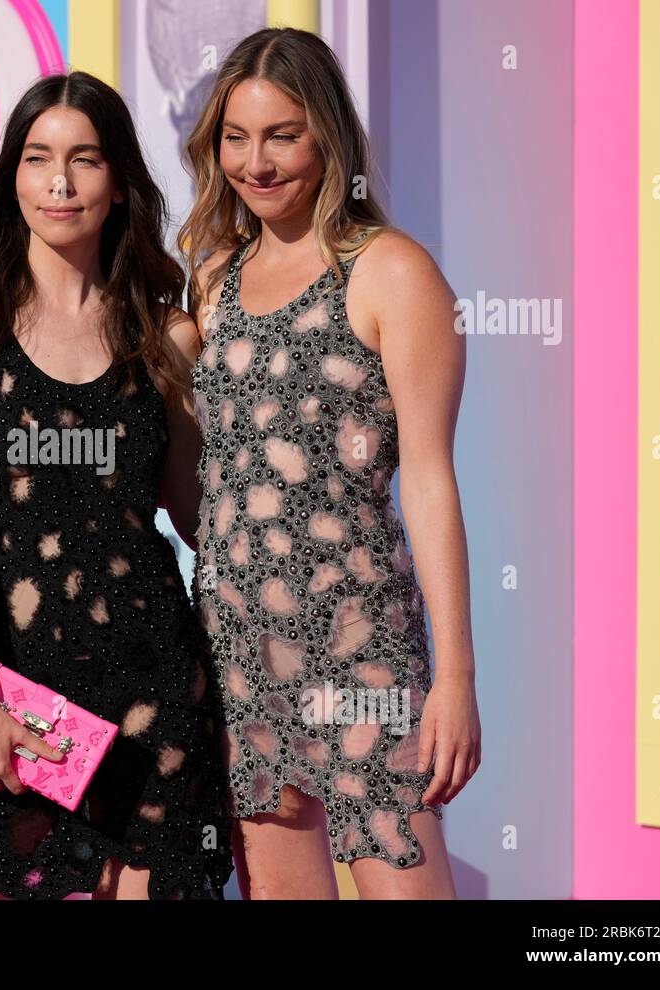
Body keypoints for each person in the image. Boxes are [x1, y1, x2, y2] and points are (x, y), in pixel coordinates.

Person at [0, 72, 234, 900]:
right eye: (37, 158)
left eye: (85, 160)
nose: (59, 182)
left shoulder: (165, 336)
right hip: (10, 691)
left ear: (119, 181)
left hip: (152, 696)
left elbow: (198, 518)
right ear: (11, 177)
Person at [180, 27, 481, 898]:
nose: (256, 162)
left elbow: (428, 480)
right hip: (238, 653)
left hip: (362, 655)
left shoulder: (390, 273)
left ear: (330, 138)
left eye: (283, 136)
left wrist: (453, 678)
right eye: (236, 138)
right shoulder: (213, 283)